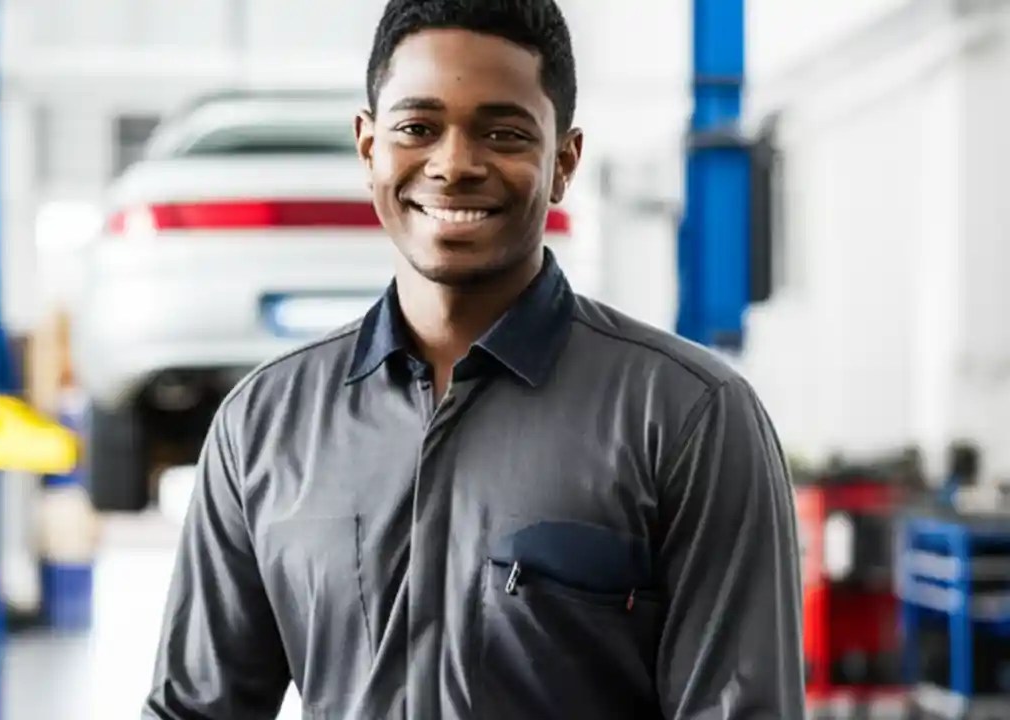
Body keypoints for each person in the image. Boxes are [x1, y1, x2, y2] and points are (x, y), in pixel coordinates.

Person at [142, 0, 805, 717]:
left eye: (504, 132)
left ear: (563, 163)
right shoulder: (263, 428)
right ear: (369, 149)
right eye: (417, 129)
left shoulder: (686, 419)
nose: (455, 164)